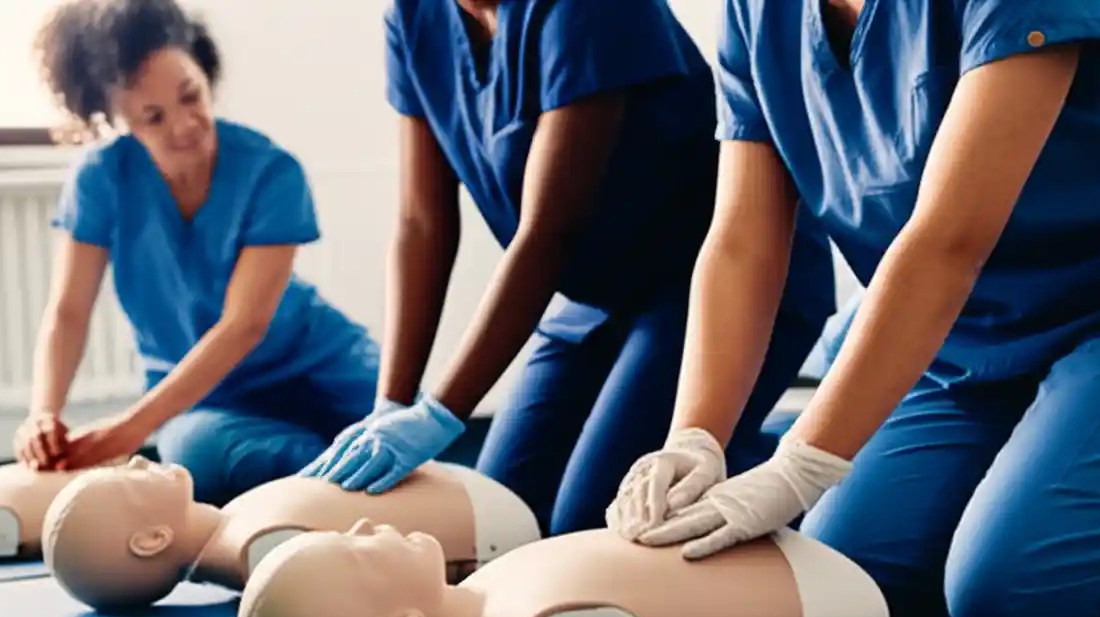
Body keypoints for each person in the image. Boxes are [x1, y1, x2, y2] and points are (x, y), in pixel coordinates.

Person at [611, 0, 1100, 617]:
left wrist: (803, 464)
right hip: (967, 340)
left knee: (1023, 596)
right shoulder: (757, 12)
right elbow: (743, 240)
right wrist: (695, 436)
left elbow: (946, 243)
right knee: (857, 579)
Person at [299, 0, 836, 536]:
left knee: (600, 522)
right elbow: (422, 222)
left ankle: (775, 467)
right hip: (595, 300)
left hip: (713, 286)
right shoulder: (414, 18)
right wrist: (393, 403)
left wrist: (442, 412)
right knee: (503, 519)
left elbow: (549, 230)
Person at [15, 0, 380, 506]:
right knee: (197, 455)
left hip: (321, 366)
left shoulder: (272, 171)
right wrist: (42, 414)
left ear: (207, 75)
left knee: (399, 428)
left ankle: (339, 477)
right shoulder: (100, 179)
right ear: (119, 120)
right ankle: (338, 476)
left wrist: (128, 431)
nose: (184, 124)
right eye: (153, 117)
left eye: (191, 96)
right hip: (207, 402)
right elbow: (68, 312)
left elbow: (244, 325)